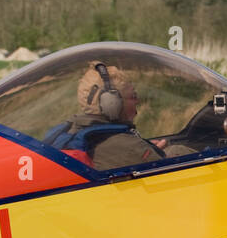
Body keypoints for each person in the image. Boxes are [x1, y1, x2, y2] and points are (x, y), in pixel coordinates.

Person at [46, 62, 174, 170]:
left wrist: (146, 149)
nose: (137, 101)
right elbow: (166, 170)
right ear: (111, 103)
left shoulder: (73, 131)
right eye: (133, 96)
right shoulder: (126, 145)